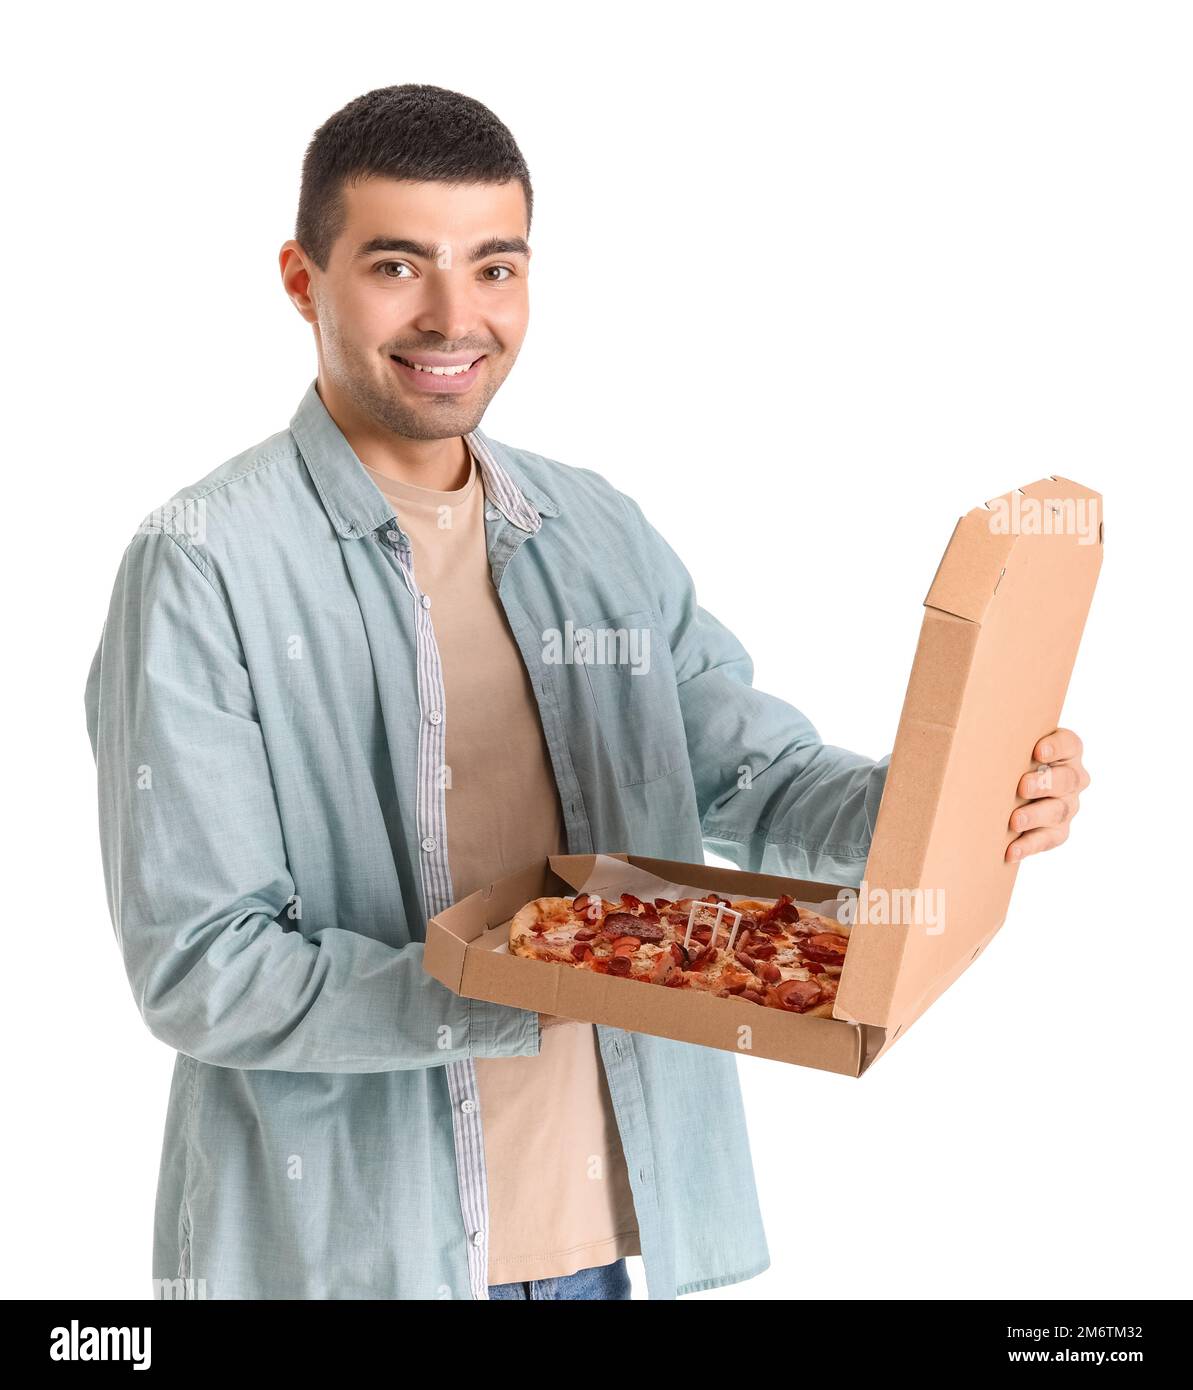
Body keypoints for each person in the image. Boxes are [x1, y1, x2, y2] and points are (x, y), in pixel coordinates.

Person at [83, 84, 1090, 1302]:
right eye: (398, 265)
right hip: (352, 1264)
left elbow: (745, 774)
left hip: (602, 1254)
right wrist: (526, 979)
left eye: (494, 267)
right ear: (302, 280)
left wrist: (959, 796)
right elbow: (202, 964)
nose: (455, 316)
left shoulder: (590, 528)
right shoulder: (204, 559)